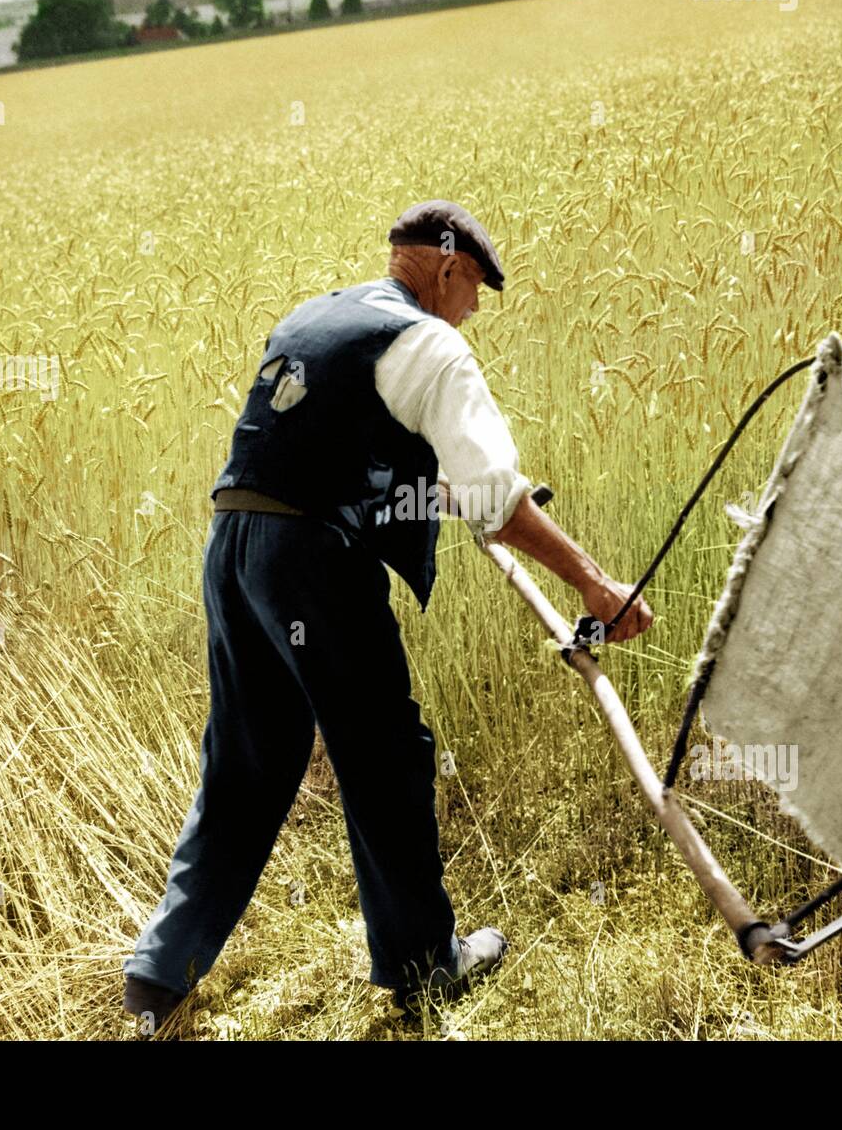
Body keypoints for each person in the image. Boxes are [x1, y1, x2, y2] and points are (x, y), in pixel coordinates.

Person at [122, 200, 653, 1033]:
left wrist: (432, 498)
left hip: (233, 549)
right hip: (312, 567)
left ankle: (160, 974)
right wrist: (593, 582)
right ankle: (424, 965)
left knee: (245, 764)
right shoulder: (433, 345)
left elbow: (329, 456)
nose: (474, 308)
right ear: (446, 269)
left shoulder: (315, 314)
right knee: (385, 753)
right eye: (474, 287)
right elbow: (492, 496)